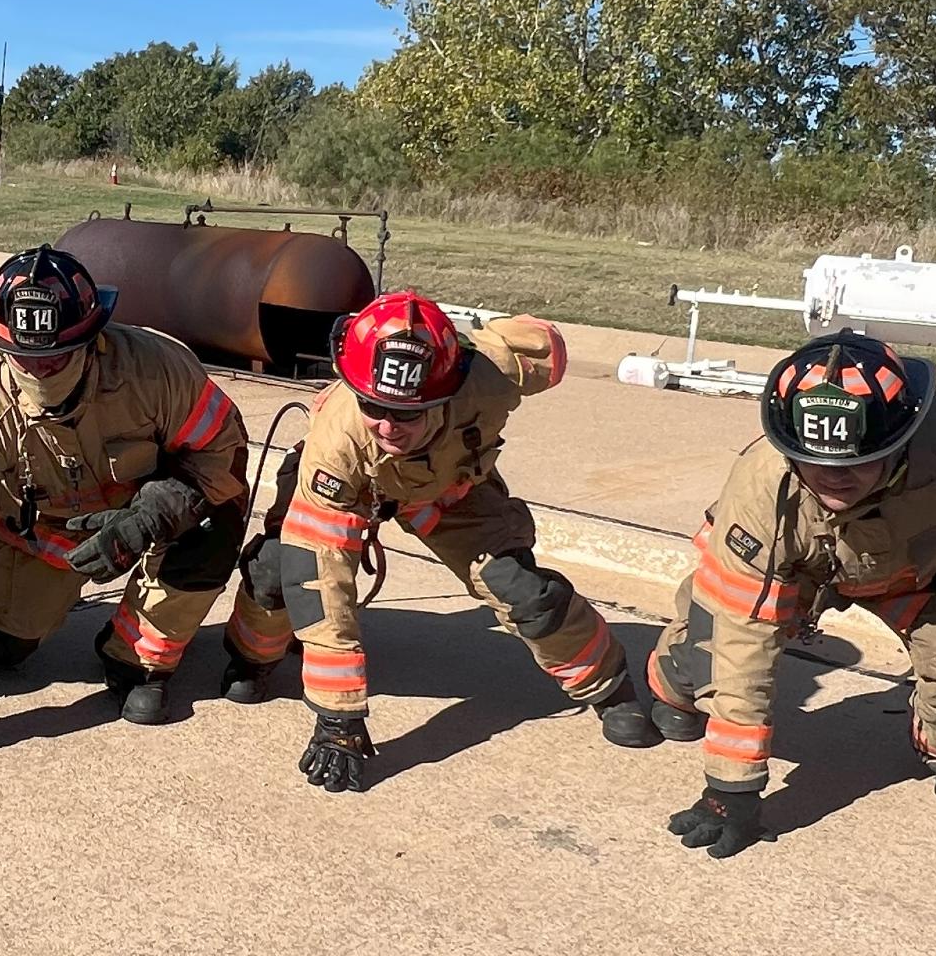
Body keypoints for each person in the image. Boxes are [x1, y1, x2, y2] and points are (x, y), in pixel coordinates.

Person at [650, 329, 936, 858]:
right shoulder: (759, 494)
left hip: (920, 573)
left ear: (904, 436)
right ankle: (670, 684)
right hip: (799, 573)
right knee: (707, 657)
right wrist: (730, 788)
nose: (836, 477)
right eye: (816, 462)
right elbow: (741, 638)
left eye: (857, 461)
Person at [235, 292, 662, 795]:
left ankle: (608, 686)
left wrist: (489, 341)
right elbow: (322, 579)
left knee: (525, 592)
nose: (389, 426)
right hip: (357, 488)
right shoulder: (339, 440)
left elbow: (544, 345)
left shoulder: (489, 375)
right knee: (279, 572)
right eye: (374, 407)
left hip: (450, 493)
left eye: (408, 415)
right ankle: (250, 656)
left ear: (446, 392)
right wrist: (338, 718)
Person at [0, 245, 250, 770]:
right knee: (1, 652)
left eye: (54, 355)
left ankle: (136, 658)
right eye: (25, 358)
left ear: (91, 336)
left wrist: (149, 516)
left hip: (146, 525)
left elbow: (224, 455)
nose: (40, 369)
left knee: (220, 517)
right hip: (45, 543)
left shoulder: (158, 372)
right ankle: (9, 624)